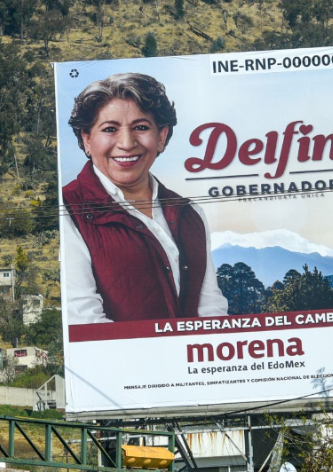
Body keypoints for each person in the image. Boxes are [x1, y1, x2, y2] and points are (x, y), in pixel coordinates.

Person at [62, 73, 228, 324]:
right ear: (86, 139)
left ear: (161, 136)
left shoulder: (189, 212)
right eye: (110, 129)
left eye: (141, 127)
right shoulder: (66, 209)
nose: (127, 144)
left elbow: (211, 307)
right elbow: (83, 319)